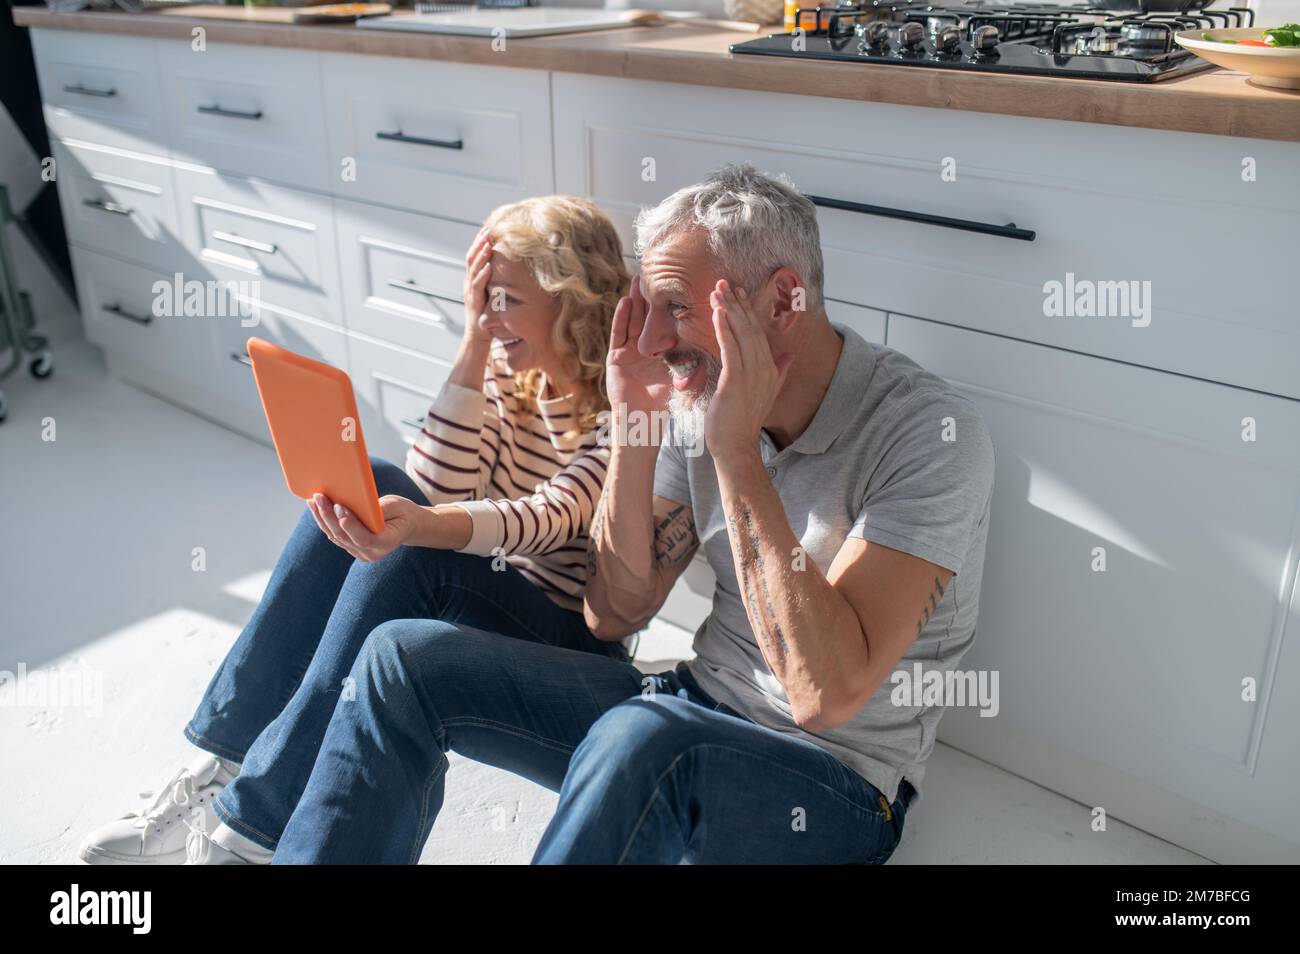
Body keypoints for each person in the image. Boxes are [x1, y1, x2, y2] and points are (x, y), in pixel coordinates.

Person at [271, 162, 996, 865]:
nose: (651, 341)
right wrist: (633, 423)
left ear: (783, 303)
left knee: (644, 737)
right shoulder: (693, 399)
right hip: (691, 702)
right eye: (646, 308)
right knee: (403, 658)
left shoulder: (929, 435)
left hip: (836, 784)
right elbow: (613, 616)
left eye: (677, 307)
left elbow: (824, 695)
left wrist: (737, 454)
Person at [77, 196, 630, 864]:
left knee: (413, 547)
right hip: (486, 590)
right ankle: (227, 768)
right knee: (373, 482)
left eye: (505, 298)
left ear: (566, 300)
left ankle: (252, 827)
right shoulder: (512, 380)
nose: (489, 314)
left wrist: (423, 525)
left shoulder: (621, 409)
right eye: (483, 297)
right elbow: (438, 489)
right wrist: (473, 343)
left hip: (562, 637)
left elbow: (545, 520)